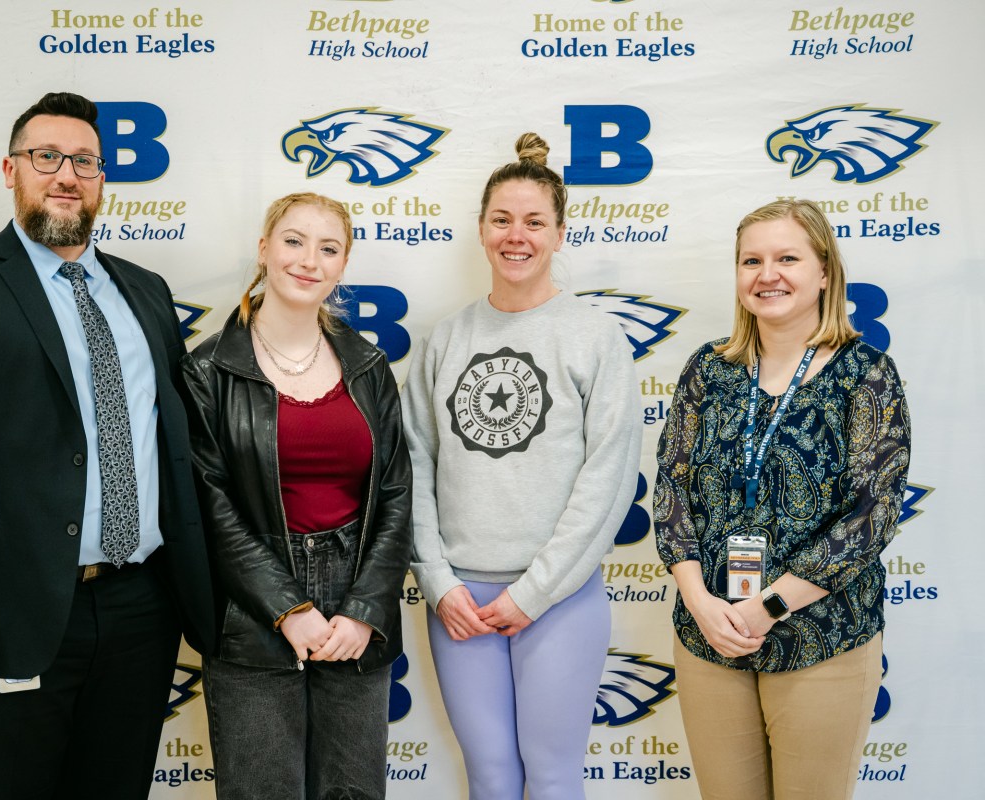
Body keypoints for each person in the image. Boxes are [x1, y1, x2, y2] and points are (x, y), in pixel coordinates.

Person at [0, 92, 215, 800]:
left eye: (84, 161)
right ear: (9, 170)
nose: (66, 175)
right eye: (46, 157)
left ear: (102, 179)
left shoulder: (146, 292)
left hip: (140, 610)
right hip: (1, 610)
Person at [402, 133, 641, 799]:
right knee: (491, 776)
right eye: (502, 220)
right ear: (481, 230)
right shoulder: (445, 339)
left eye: (535, 222)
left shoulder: (594, 337)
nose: (517, 236)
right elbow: (412, 468)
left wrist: (532, 592)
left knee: (555, 775)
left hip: (558, 601)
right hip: (460, 606)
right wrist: (440, 583)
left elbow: (611, 476)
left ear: (560, 233)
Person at [654, 199, 911, 799]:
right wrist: (700, 602)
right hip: (709, 635)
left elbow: (871, 516)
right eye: (752, 260)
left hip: (822, 637)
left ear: (824, 270)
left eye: (787, 258)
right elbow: (671, 490)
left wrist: (765, 608)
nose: (767, 274)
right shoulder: (709, 369)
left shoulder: (866, 374)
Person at [181, 192, 412, 800]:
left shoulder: (368, 366)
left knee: (352, 792)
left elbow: (394, 493)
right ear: (264, 249)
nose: (309, 259)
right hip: (251, 607)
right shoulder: (208, 371)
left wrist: (365, 609)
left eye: (328, 248)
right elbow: (210, 505)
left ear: (342, 266)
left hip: (355, 604)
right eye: (293, 240)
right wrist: (287, 607)